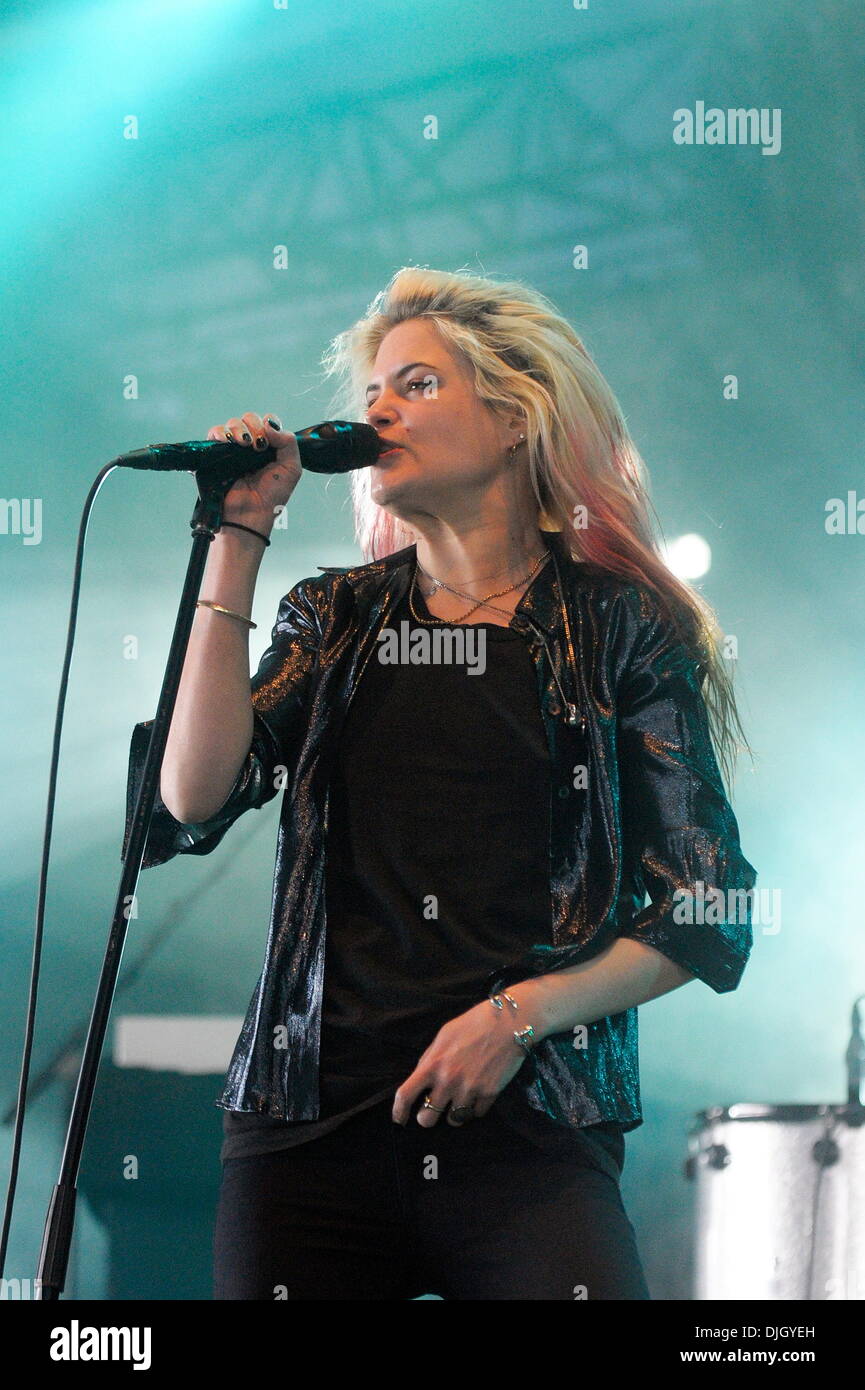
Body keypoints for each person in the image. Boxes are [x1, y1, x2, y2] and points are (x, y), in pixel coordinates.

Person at [127, 266, 758, 1300]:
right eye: (373, 390)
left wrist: (516, 1017)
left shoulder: (618, 629)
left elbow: (707, 903)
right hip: (309, 1125)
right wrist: (235, 538)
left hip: (531, 1129)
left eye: (416, 384)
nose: (377, 410)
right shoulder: (331, 617)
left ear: (514, 418)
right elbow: (193, 794)